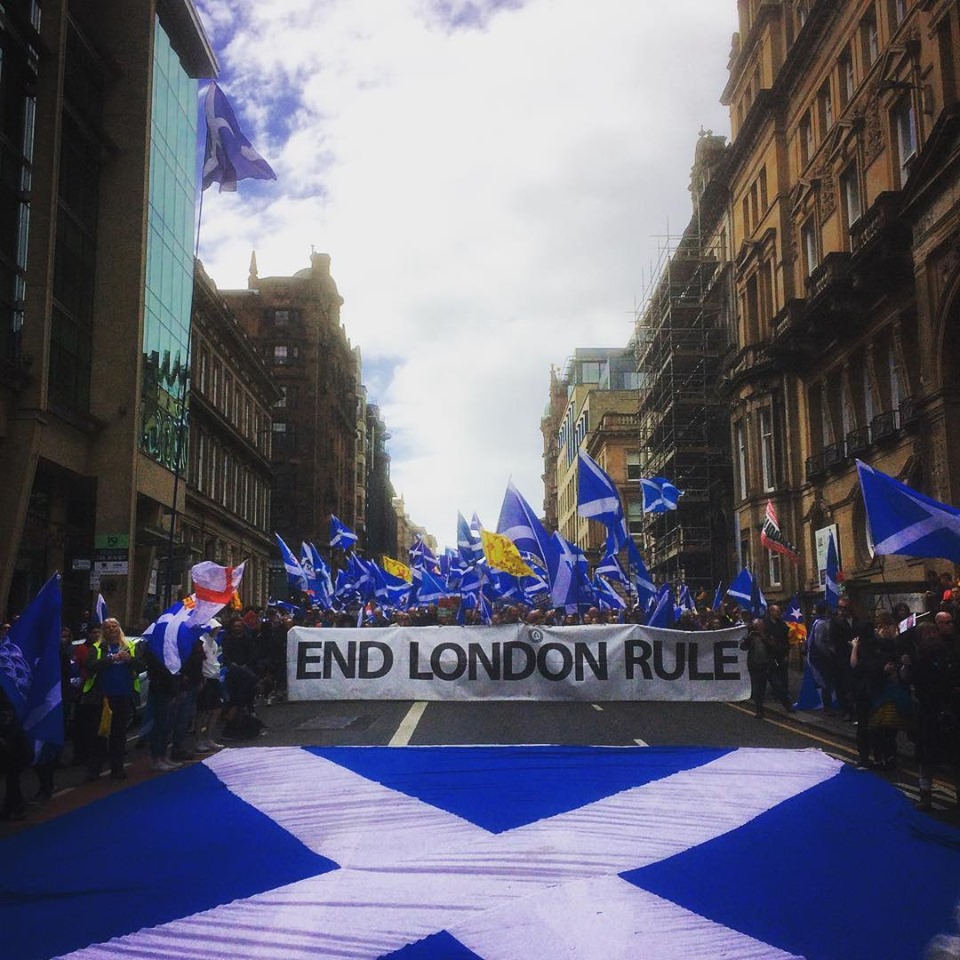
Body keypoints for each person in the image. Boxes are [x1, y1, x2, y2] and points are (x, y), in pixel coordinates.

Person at [83, 618, 141, 781]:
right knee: (99, 735)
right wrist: (110, 659)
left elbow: (141, 666)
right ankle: (94, 770)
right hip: (102, 698)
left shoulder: (129, 646)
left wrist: (129, 660)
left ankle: (117, 769)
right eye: (107, 627)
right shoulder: (97, 648)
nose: (111, 629)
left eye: (114, 626)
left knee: (119, 735)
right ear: (103, 631)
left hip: (123, 697)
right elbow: (90, 666)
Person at [742, 618, 794, 719]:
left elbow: (773, 646)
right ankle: (759, 711)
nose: (757, 628)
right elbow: (743, 647)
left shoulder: (768, 634)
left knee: (778, 687)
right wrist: (749, 638)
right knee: (759, 690)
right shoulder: (750, 636)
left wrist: (763, 638)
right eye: (755, 626)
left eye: (758, 626)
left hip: (768, 666)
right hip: (756, 666)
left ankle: (788, 705)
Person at [764, 604, 791, 705]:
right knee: (773, 676)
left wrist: (786, 654)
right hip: (770, 654)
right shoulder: (765, 624)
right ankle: (776, 694)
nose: (778, 613)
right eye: (776, 611)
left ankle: (784, 694)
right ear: (771, 612)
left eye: (779, 611)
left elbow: (786, 640)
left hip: (781, 653)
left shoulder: (782, 625)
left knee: (783, 675)